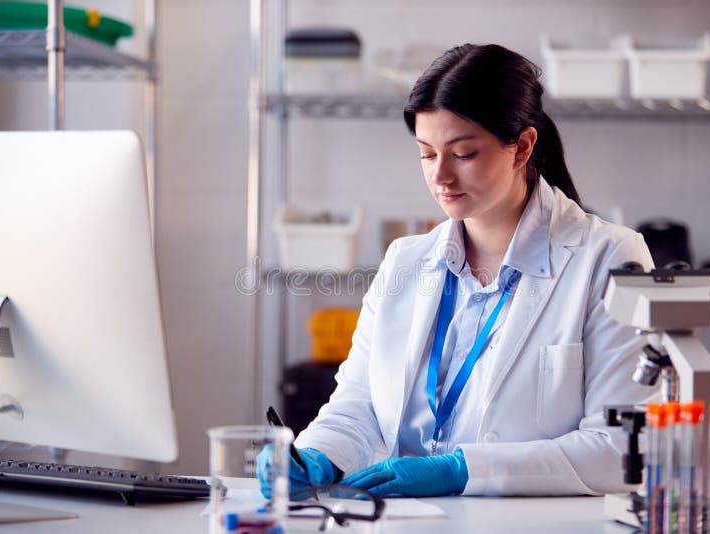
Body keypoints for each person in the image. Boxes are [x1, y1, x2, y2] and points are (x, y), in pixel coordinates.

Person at [258, 43, 655, 498]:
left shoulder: (608, 258)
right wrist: (316, 453)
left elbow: (620, 449)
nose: (440, 177)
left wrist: (465, 470)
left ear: (523, 146)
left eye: (463, 154)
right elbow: (359, 404)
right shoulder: (405, 261)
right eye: (427, 154)